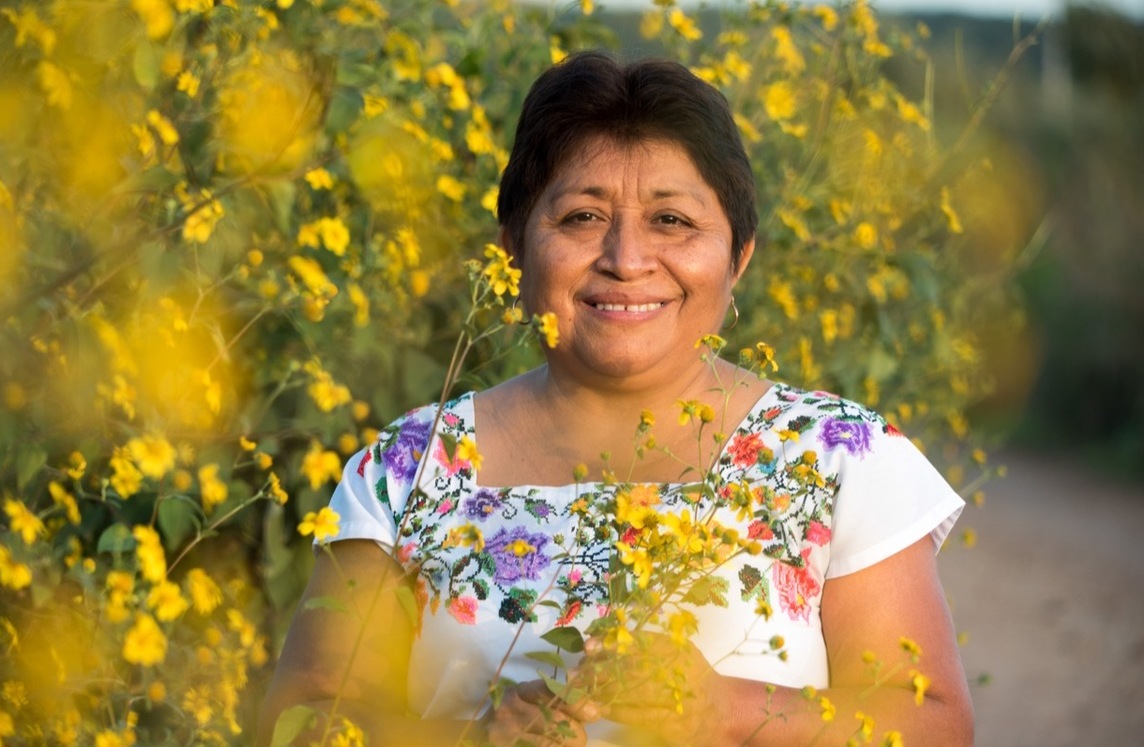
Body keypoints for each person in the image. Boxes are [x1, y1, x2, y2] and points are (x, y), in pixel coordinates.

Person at [259, 51, 974, 747]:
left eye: (673, 221)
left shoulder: (839, 458)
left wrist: (727, 713)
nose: (626, 260)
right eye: (580, 217)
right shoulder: (409, 469)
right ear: (512, 249)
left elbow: (936, 725)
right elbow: (297, 720)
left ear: (739, 257)